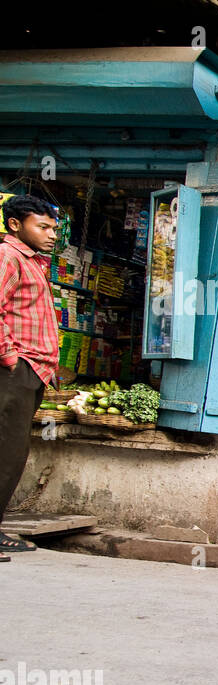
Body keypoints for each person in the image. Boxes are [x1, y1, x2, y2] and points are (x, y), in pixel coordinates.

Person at [0, 196, 60, 562]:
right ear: (15, 225)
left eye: (53, 227)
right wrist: (9, 356)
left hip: (31, 370)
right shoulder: (8, 257)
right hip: (14, 370)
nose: (51, 234)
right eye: (43, 226)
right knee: (7, 451)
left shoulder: (34, 262)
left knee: (12, 451)